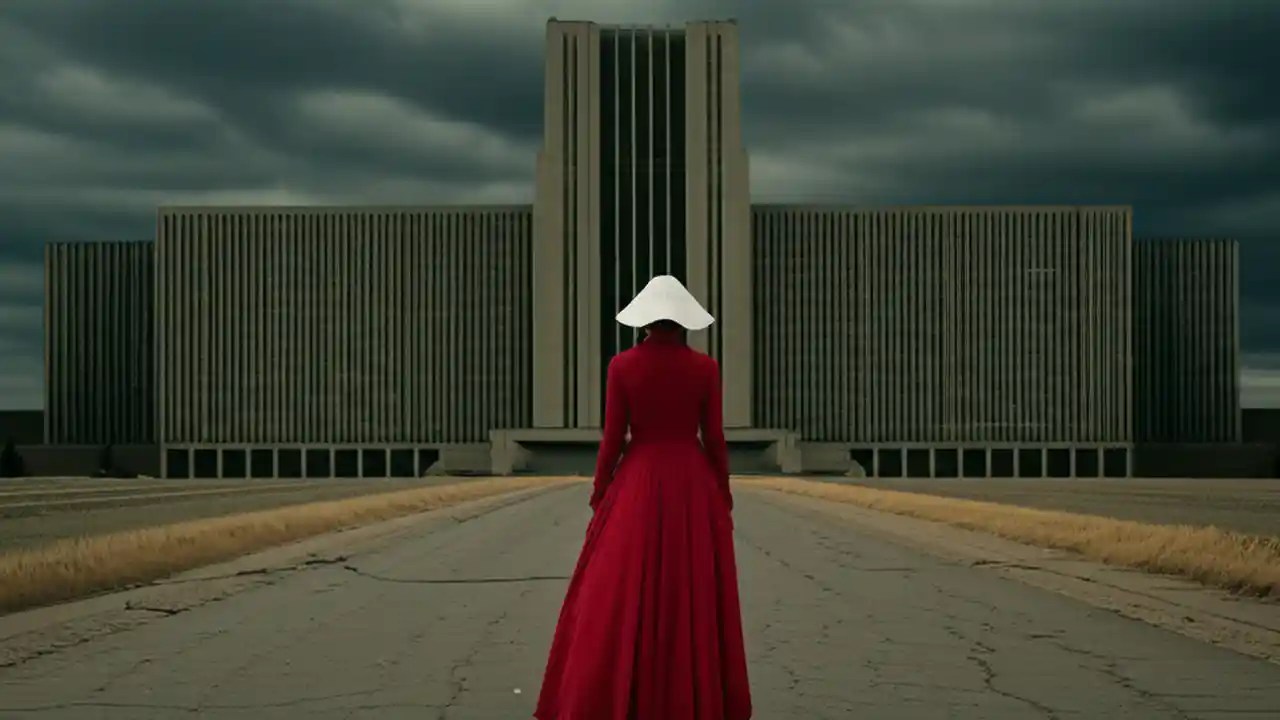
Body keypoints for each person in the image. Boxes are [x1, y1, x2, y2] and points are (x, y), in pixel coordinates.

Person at [535, 275, 752, 719]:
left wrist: (601, 491)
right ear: (683, 321)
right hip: (692, 483)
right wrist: (722, 492)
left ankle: (621, 694)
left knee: (621, 585)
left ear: (645, 321)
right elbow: (714, 438)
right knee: (690, 588)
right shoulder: (705, 369)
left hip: (637, 480)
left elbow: (613, 438)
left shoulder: (622, 366)